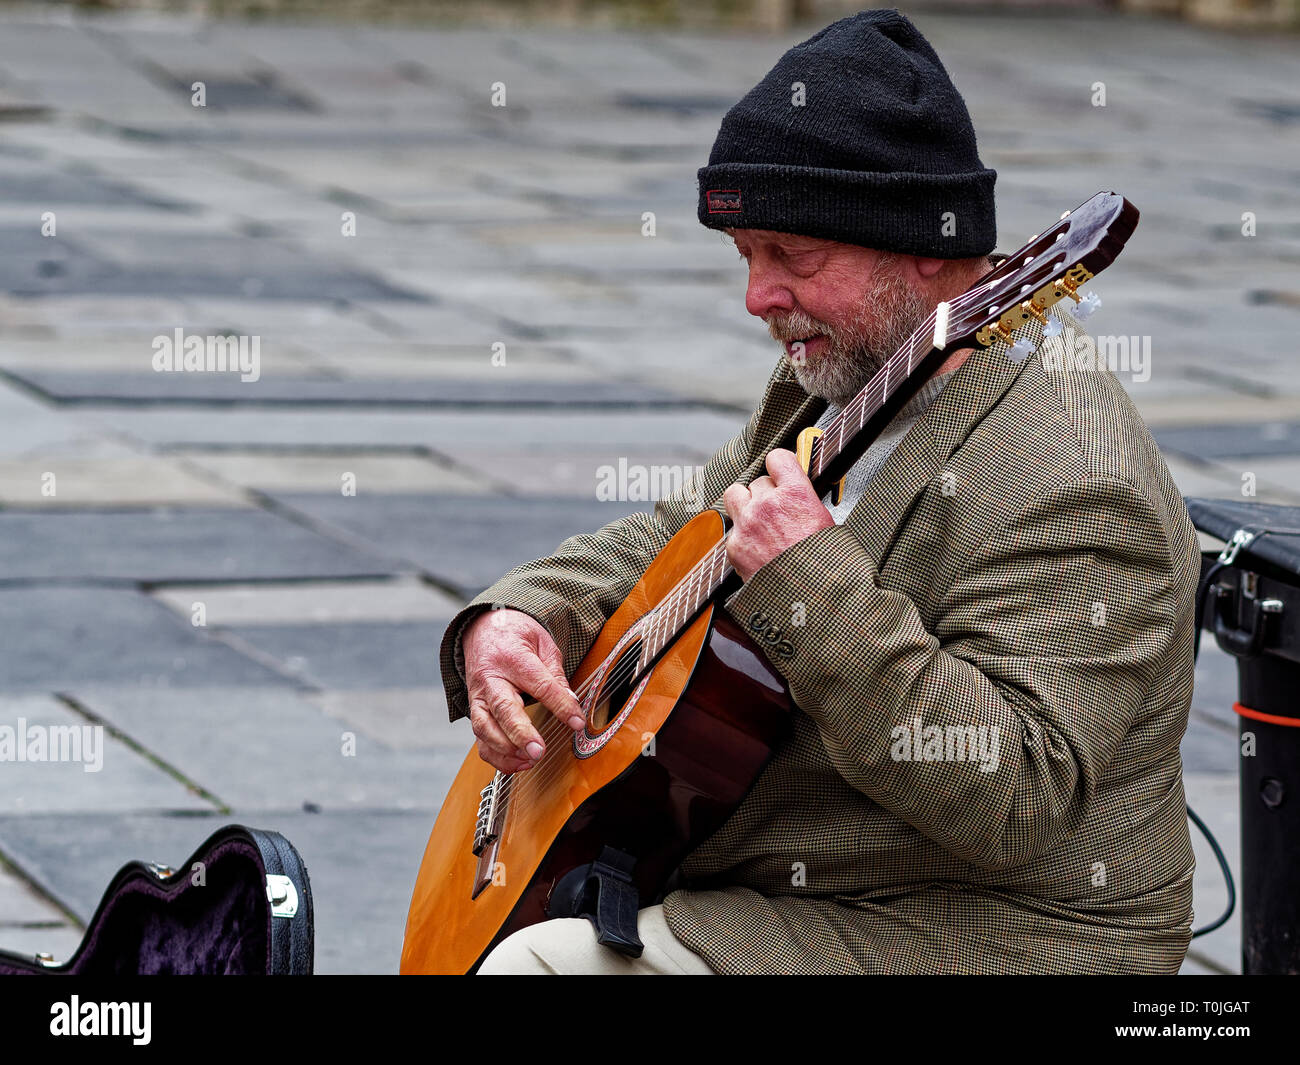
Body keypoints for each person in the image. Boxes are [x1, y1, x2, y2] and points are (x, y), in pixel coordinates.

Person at [440, 10, 1200, 974]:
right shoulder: (856, 368)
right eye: (745, 256)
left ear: (923, 248)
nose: (757, 297)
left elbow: (1013, 798)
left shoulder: (1078, 486)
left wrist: (808, 581)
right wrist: (519, 611)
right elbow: (687, 529)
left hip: (984, 927)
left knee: (536, 969)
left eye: (791, 258)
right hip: (810, 866)